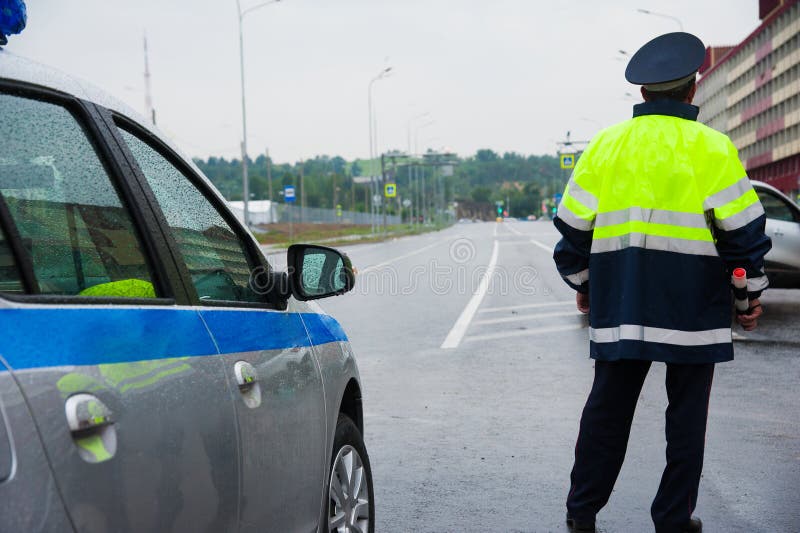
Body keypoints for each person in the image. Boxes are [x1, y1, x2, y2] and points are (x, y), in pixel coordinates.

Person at [553, 32, 772, 533]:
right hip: (695, 311)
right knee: (686, 423)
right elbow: (744, 239)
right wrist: (747, 299)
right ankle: (673, 519)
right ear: (692, 91)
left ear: (643, 94)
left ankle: (581, 513)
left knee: (607, 414)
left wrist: (586, 285)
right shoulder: (714, 148)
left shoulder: (606, 145)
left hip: (623, 307)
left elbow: (571, 234)